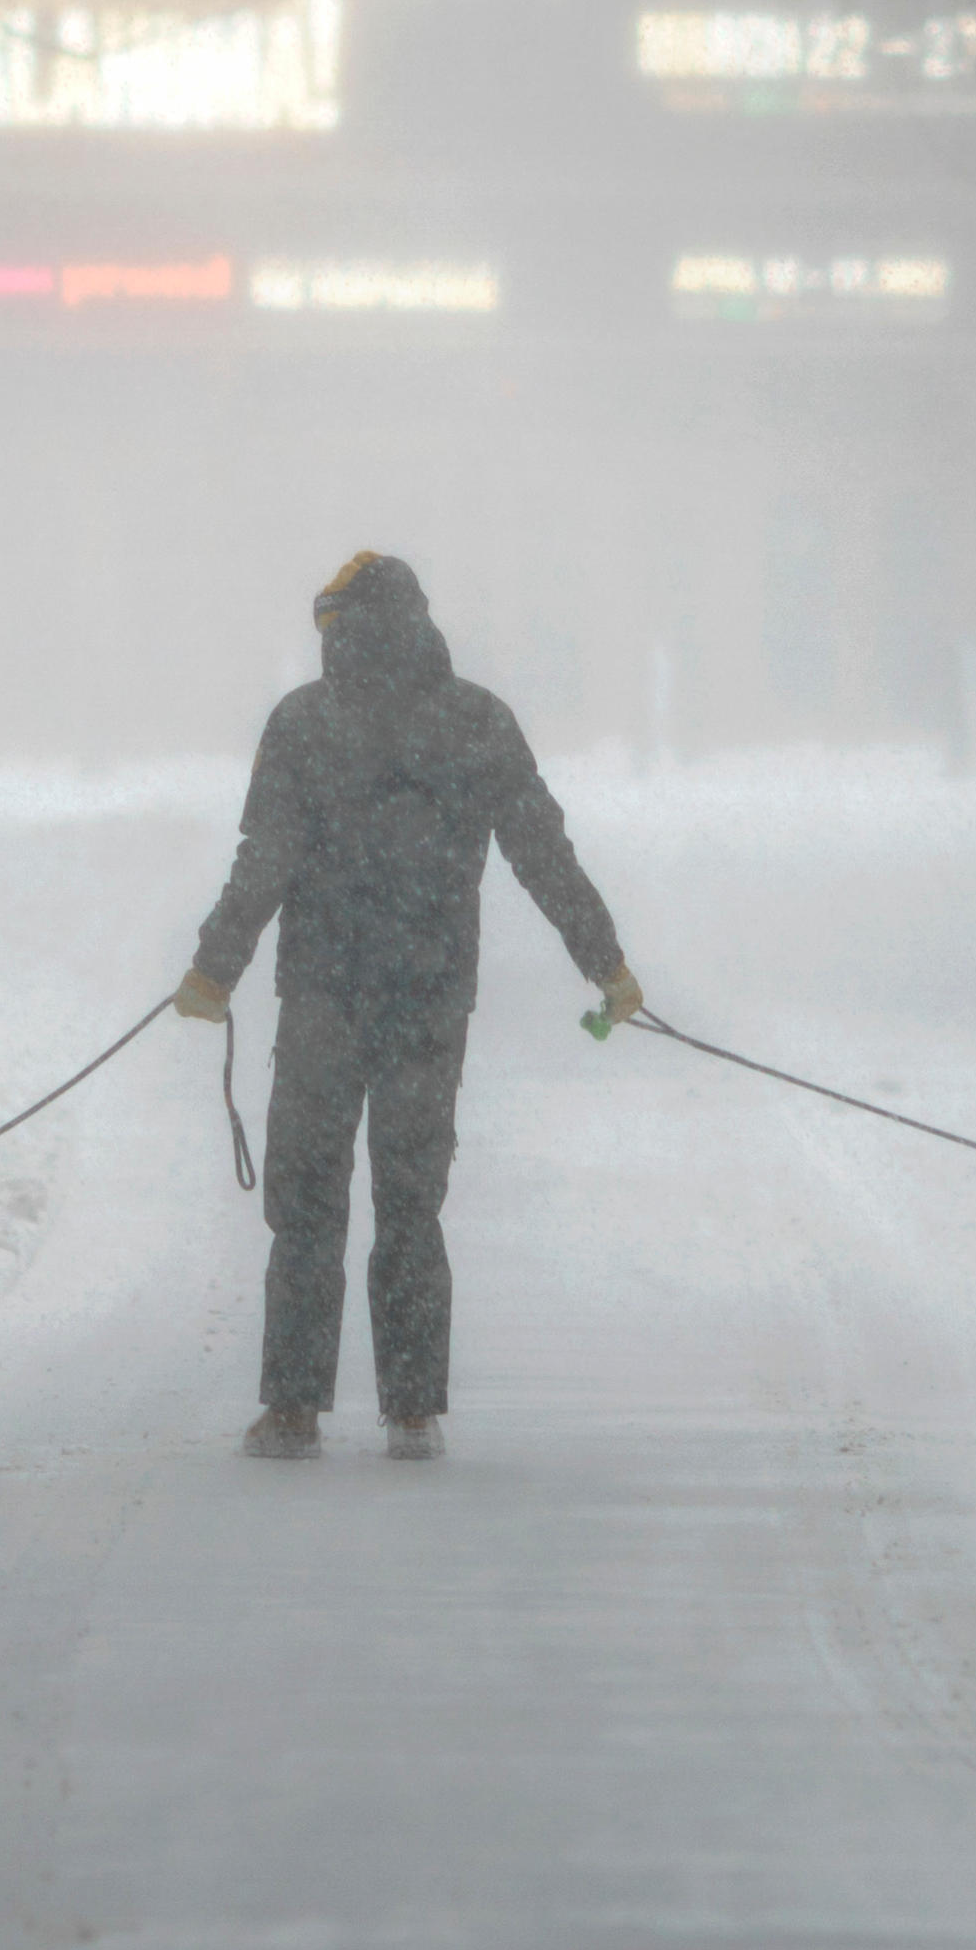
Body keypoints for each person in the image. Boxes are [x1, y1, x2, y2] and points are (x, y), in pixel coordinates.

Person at [174, 550, 640, 1462]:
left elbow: (263, 859)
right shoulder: (476, 720)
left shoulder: (305, 723)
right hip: (429, 1001)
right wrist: (606, 963)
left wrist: (213, 970)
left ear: (340, 627)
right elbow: (543, 851)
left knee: (308, 1200)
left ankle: (295, 1408)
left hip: (324, 996)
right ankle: (414, 1410)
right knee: (411, 1200)